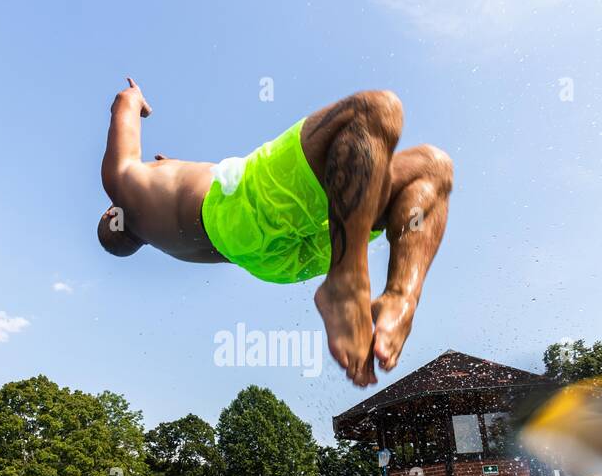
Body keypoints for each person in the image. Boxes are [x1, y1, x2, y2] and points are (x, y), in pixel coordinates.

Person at [98, 79, 453, 387]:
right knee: (376, 110)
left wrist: (171, 165)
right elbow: (122, 106)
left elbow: (183, 206)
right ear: (113, 212)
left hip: (280, 262)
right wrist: (136, 97)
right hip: (240, 212)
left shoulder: (165, 235)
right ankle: (352, 281)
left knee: (431, 168)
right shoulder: (123, 183)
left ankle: (398, 300)